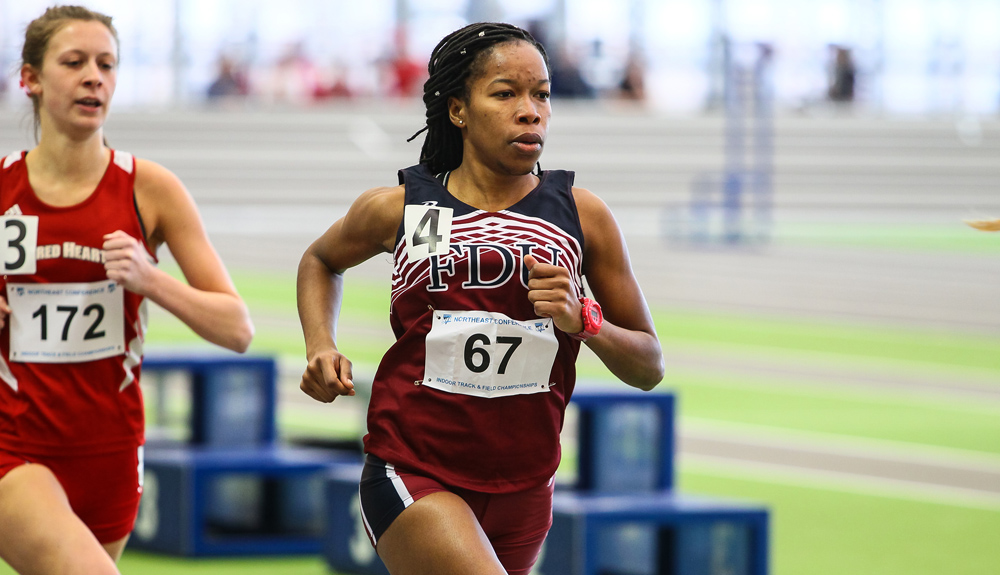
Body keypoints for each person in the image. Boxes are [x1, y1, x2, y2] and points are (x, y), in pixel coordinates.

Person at [297, 22, 664, 575]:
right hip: (413, 468)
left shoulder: (581, 216)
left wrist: (584, 319)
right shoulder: (409, 209)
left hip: (525, 485)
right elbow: (320, 261)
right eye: (505, 93)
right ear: (458, 110)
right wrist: (320, 345)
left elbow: (648, 365)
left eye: (541, 93)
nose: (530, 110)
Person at [0, 6, 254, 575]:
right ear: (30, 79)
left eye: (107, 64)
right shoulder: (2, 186)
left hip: (111, 454)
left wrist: (150, 279)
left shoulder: (151, 189)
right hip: (13, 444)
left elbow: (237, 327)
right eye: (74, 62)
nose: (95, 76)